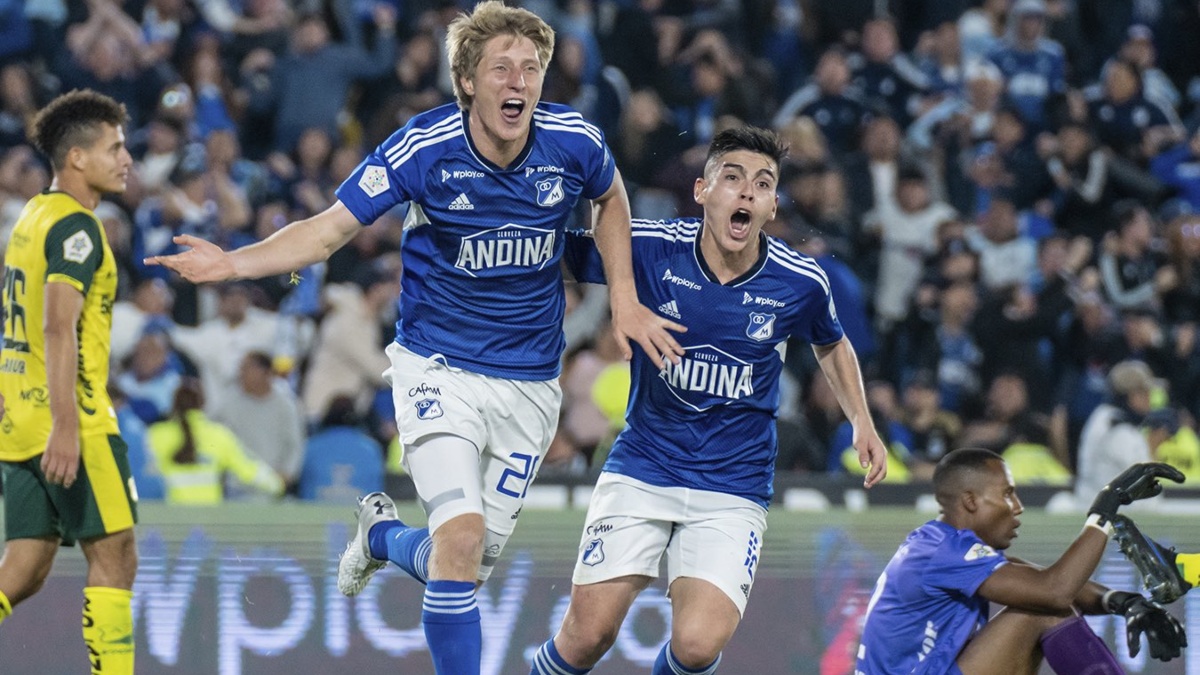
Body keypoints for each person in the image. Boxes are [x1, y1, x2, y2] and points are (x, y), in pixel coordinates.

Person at [143, 3, 678, 674]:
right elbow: (330, 227)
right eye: (501, 68)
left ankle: (382, 536)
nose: (519, 83)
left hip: (531, 384)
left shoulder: (574, 141)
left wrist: (624, 300)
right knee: (460, 538)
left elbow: (612, 198)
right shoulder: (424, 148)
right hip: (438, 370)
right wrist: (235, 262)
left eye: (531, 69)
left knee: (463, 564)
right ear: (465, 81)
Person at [524, 125, 889, 674]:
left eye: (763, 184)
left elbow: (831, 344)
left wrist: (861, 419)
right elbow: (560, 252)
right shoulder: (649, 248)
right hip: (645, 465)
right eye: (733, 178)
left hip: (732, 484)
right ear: (702, 191)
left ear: (771, 207)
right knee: (587, 635)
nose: (746, 192)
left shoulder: (801, 282)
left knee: (697, 646)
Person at [0, 89, 138, 673]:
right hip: (71, 420)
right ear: (77, 159)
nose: (126, 158)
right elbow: (60, 326)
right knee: (117, 556)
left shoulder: (33, 216)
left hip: (17, 420)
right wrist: (64, 426)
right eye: (115, 147)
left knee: (25, 568)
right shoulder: (78, 230)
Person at [855, 448, 1187, 674]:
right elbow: (1055, 592)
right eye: (1007, 493)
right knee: (1041, 610)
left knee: (1039, 599)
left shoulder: (942, 549)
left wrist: (1126, 602)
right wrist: (1106, 509)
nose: (1018, 506)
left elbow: (1044, 583)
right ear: (971, 501)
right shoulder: (942, 551)